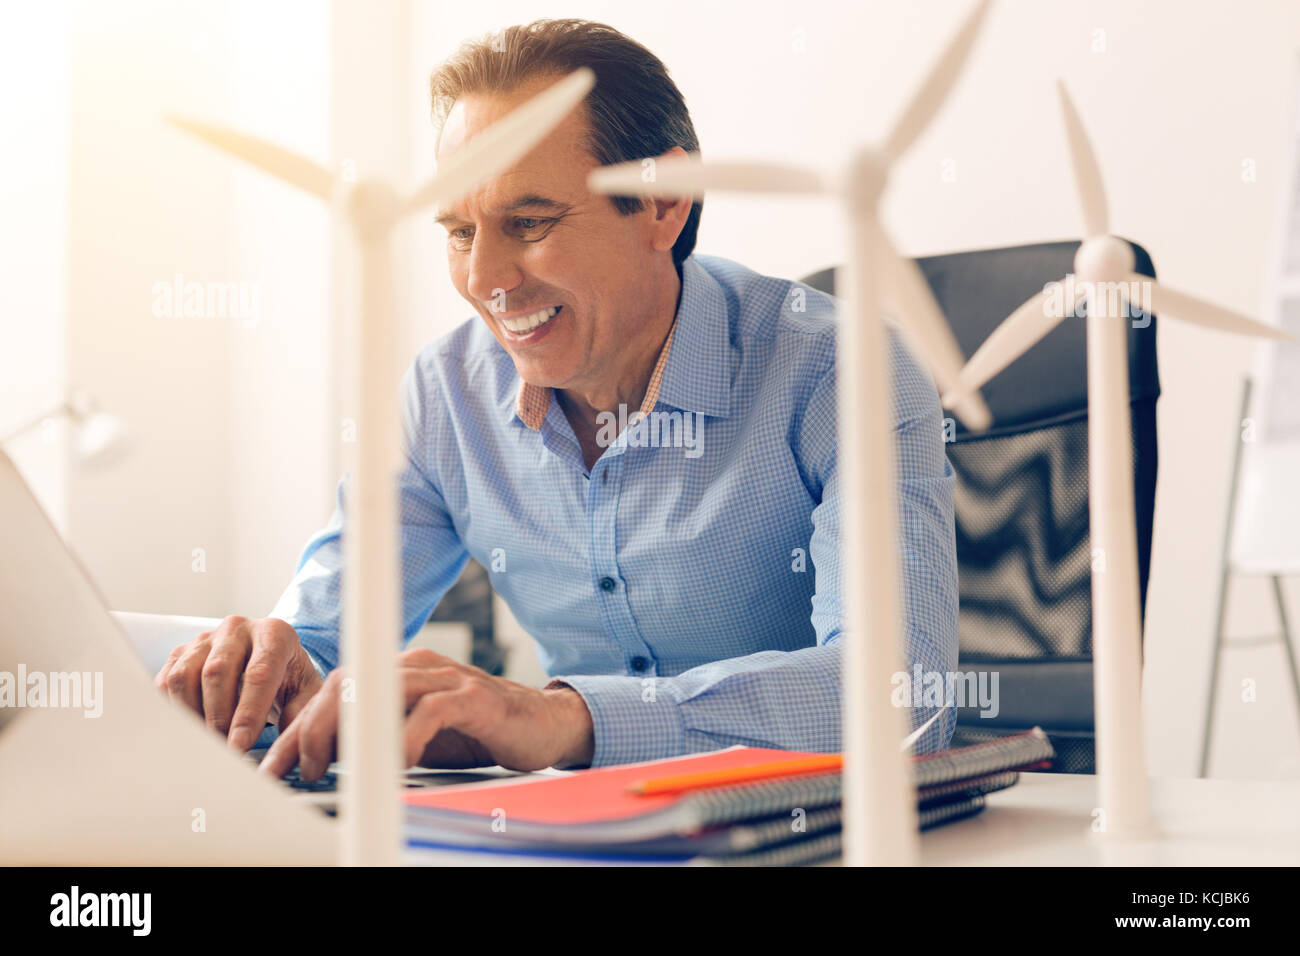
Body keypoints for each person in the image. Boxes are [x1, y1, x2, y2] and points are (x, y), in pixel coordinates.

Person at [154, 18, 958, 779]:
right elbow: (325, 644)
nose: (483, 280)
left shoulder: (838, 373)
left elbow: (905, 699)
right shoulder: (445, 397)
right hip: (567, 835)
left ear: (663, 203)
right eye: (459, 232)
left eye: (528, 221)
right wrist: (268, 667)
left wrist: (569, 721)